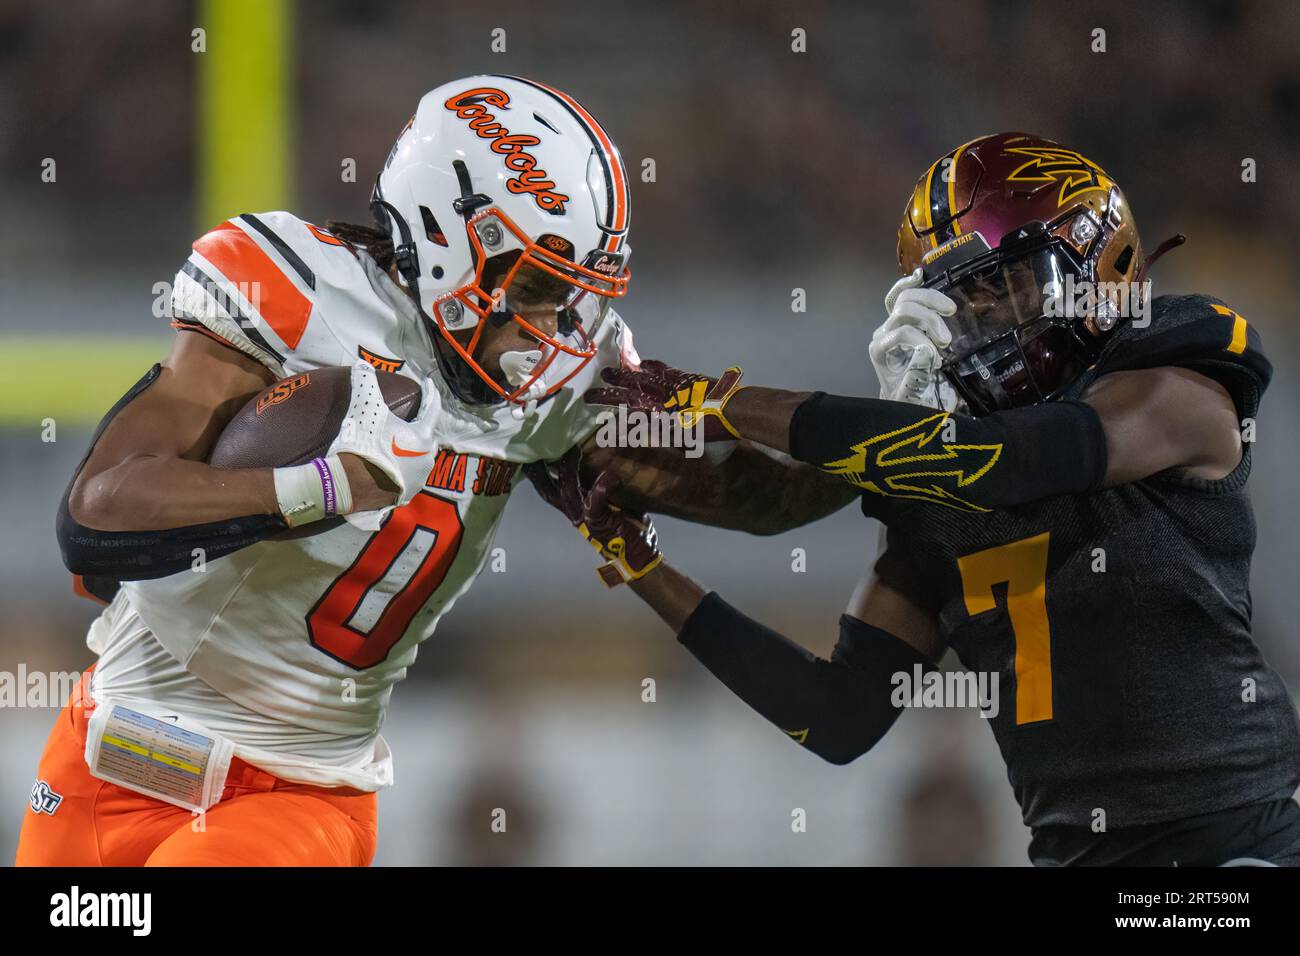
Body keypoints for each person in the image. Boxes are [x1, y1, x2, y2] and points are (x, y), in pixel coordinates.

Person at [18, 75, 849, 867]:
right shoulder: (294, 292)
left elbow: (755, 499)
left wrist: (894, 446)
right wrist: (326, 485)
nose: (554, 325)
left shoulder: (566, 379)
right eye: (537, 286)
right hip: (116, 741)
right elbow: (95, 518)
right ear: (455, 238)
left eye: (570, 298)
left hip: (302, 789)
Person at [532, 133, 1300, 866]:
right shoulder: (945, 482)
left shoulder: (1177, 377)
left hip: (1240, 847)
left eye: (1013, 282)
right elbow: (838, 715)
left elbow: (1012, 462)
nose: (991, 316)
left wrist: (718, 400)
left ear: (1106, 259)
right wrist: (637, 562)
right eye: (968, 298)